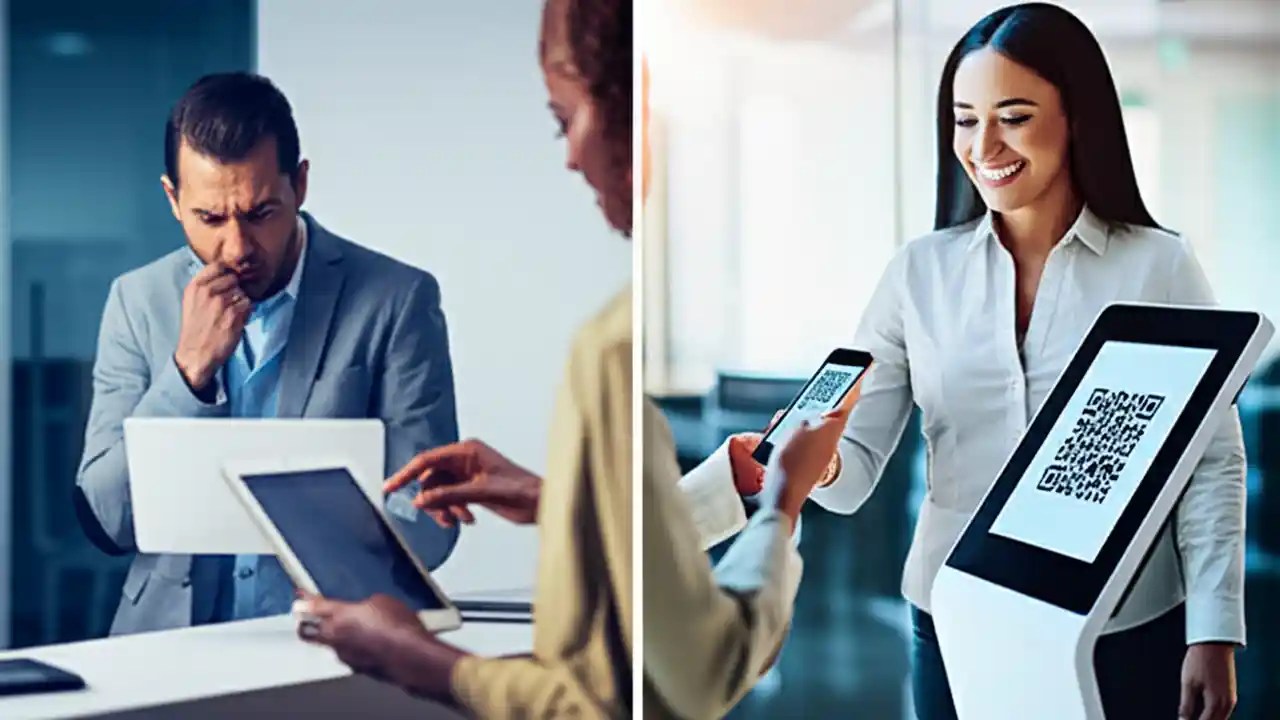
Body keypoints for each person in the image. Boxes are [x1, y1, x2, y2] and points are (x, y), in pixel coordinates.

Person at [294, 1, 845, 717]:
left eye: (566, 119)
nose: (569, 154)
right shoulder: (613, 343)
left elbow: (688, 677)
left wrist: (413, 659)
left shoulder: (609, 350)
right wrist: (555, 499)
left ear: (623, 109)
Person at [732, 4, 1242, 719]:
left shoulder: (1158, 265)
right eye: (965, 118)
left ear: (1077, 117)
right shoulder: (918, 274)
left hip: (1120, 623)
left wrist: (1212, 631)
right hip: (952, 620)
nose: (984, 143)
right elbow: (851, 479)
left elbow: (1211, 462)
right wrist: (816, 456)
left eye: (1014, 114)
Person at [75, 72, 461, 636]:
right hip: (163, 648)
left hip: (329, 648)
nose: (235, 250)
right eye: (209, 218)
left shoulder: (398, 300)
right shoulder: (137, 300)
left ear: (299, 186)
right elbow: (107, 520)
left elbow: (429, 524)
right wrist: (188, 374)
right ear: (172, 199)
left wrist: (330, 554)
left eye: (260, 214)